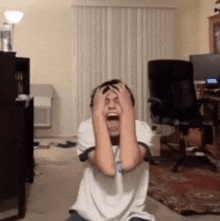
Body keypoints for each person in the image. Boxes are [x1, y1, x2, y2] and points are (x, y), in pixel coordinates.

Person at [66, 79, 156, 221]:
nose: (112, 106)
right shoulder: (88, 128)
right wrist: (98, 116)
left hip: (133, 215)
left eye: (119, 101)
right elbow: (108, 169)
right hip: (88, 214)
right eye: (105, 102)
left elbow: (128, 163)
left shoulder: (142, 129)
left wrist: (128, 113)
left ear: (130, 108)